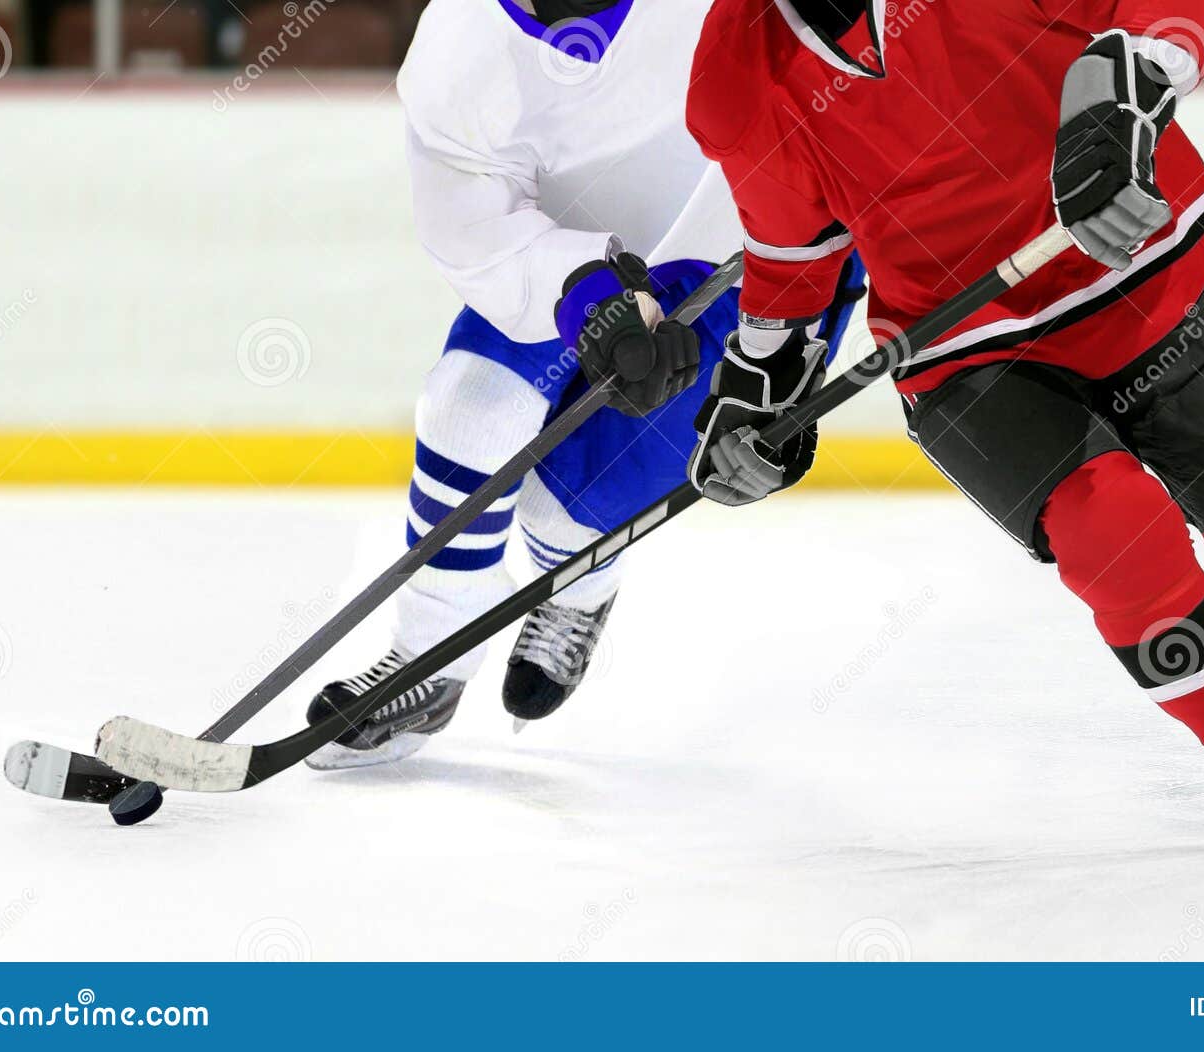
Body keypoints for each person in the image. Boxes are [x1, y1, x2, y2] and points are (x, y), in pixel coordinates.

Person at [683, 0, 1204, 862]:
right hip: (963, 349)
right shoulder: (735, 68)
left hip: (1145, 271)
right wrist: (758, 391)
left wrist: (1128, 84)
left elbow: (1183, 10)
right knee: (1113, 529)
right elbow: (795, 256)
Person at [303, 0, 865, 770]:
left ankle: (577, 585)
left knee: (564, 514)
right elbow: (473, 223)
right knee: (471, 405)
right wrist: (583, 294)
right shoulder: (457, 46)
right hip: (579, 248)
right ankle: (425, 657)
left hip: (753, 248)